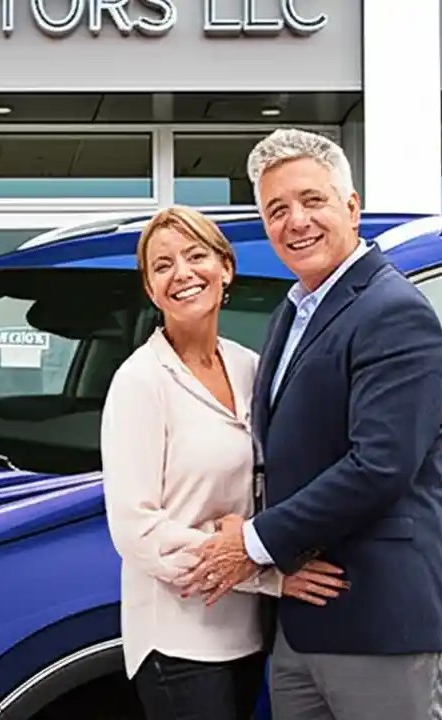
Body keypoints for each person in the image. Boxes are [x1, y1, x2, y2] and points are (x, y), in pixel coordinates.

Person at [182, 128, 442, 719]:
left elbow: (379, 465)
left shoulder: (394, 311)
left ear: (351, 208)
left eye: (312, 200)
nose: (296, 221)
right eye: (276, 209)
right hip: (302, 624)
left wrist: (253, 545)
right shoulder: (294, 309)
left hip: (378, 624)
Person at [100, 205, 349, 720]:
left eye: (196, 256)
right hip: (179, 641)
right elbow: (136, 529)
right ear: (150, 289)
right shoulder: (141, 382)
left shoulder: (249, 367)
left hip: (248, 632)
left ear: (225, 268)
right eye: (162, 265)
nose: (183, 274)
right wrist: (268, 574)